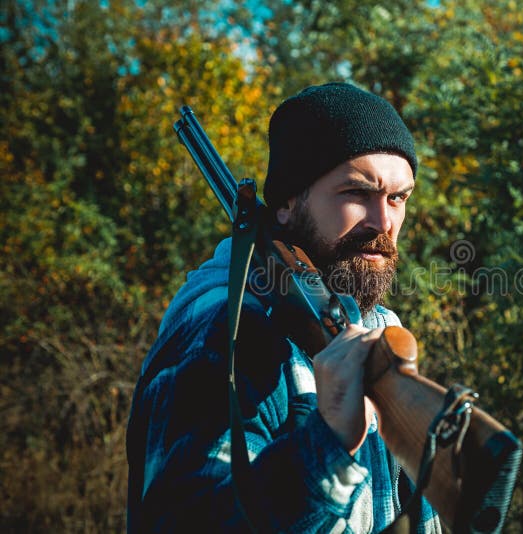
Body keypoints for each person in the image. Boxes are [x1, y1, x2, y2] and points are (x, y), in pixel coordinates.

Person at [126, 82, 441, 533]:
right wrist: (327, 446)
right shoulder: (227, 332)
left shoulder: (372, 328)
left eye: (398, 198)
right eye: (356, 193)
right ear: (289, 203)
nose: (383, 221)